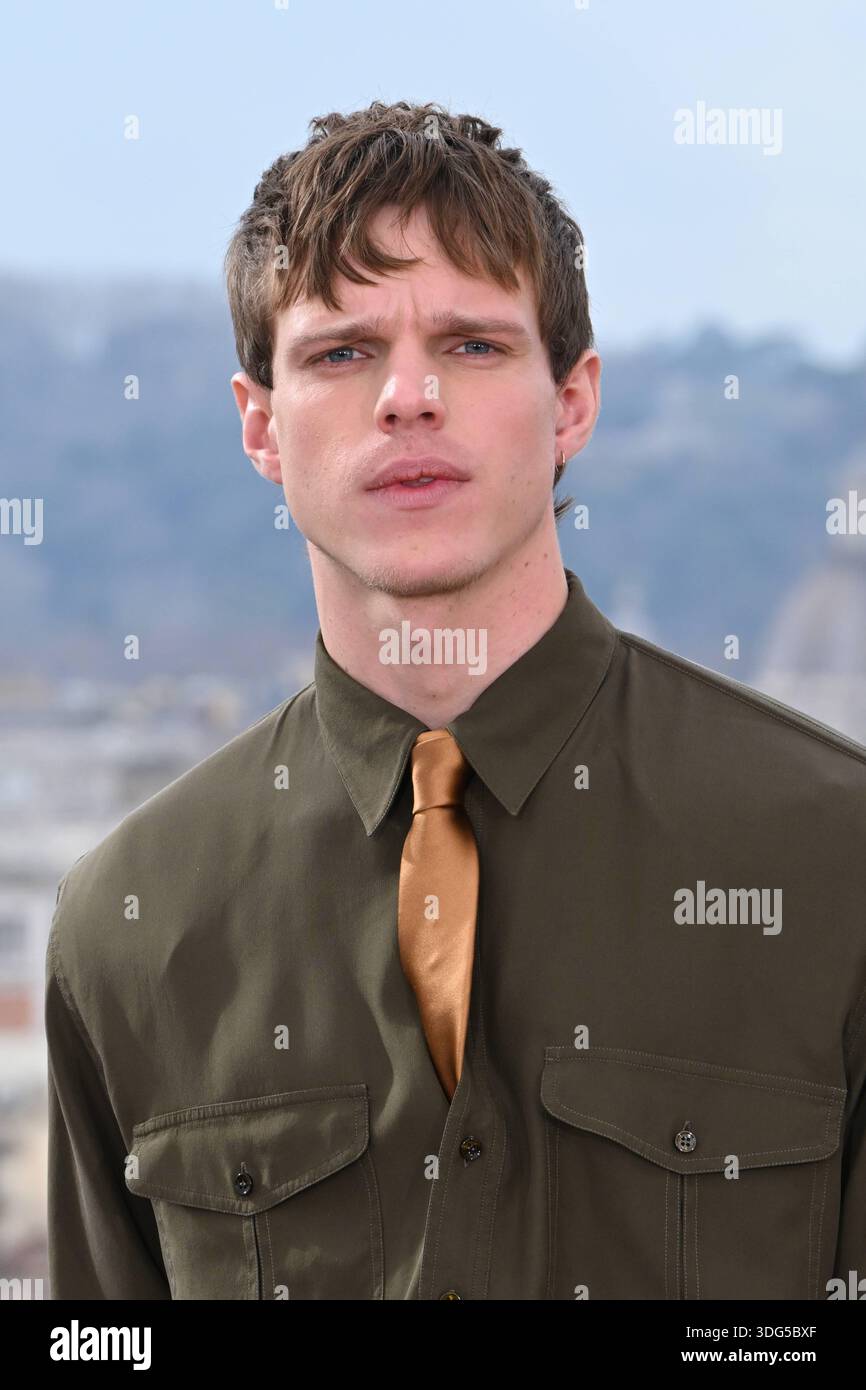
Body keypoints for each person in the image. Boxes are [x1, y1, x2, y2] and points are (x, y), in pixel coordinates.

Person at [46, 99, 866, 1301]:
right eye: (342, 351)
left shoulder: (832, 855)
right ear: (260, 426)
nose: (408, 395)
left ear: (573, 401)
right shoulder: (129, 921)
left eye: (474, 345)